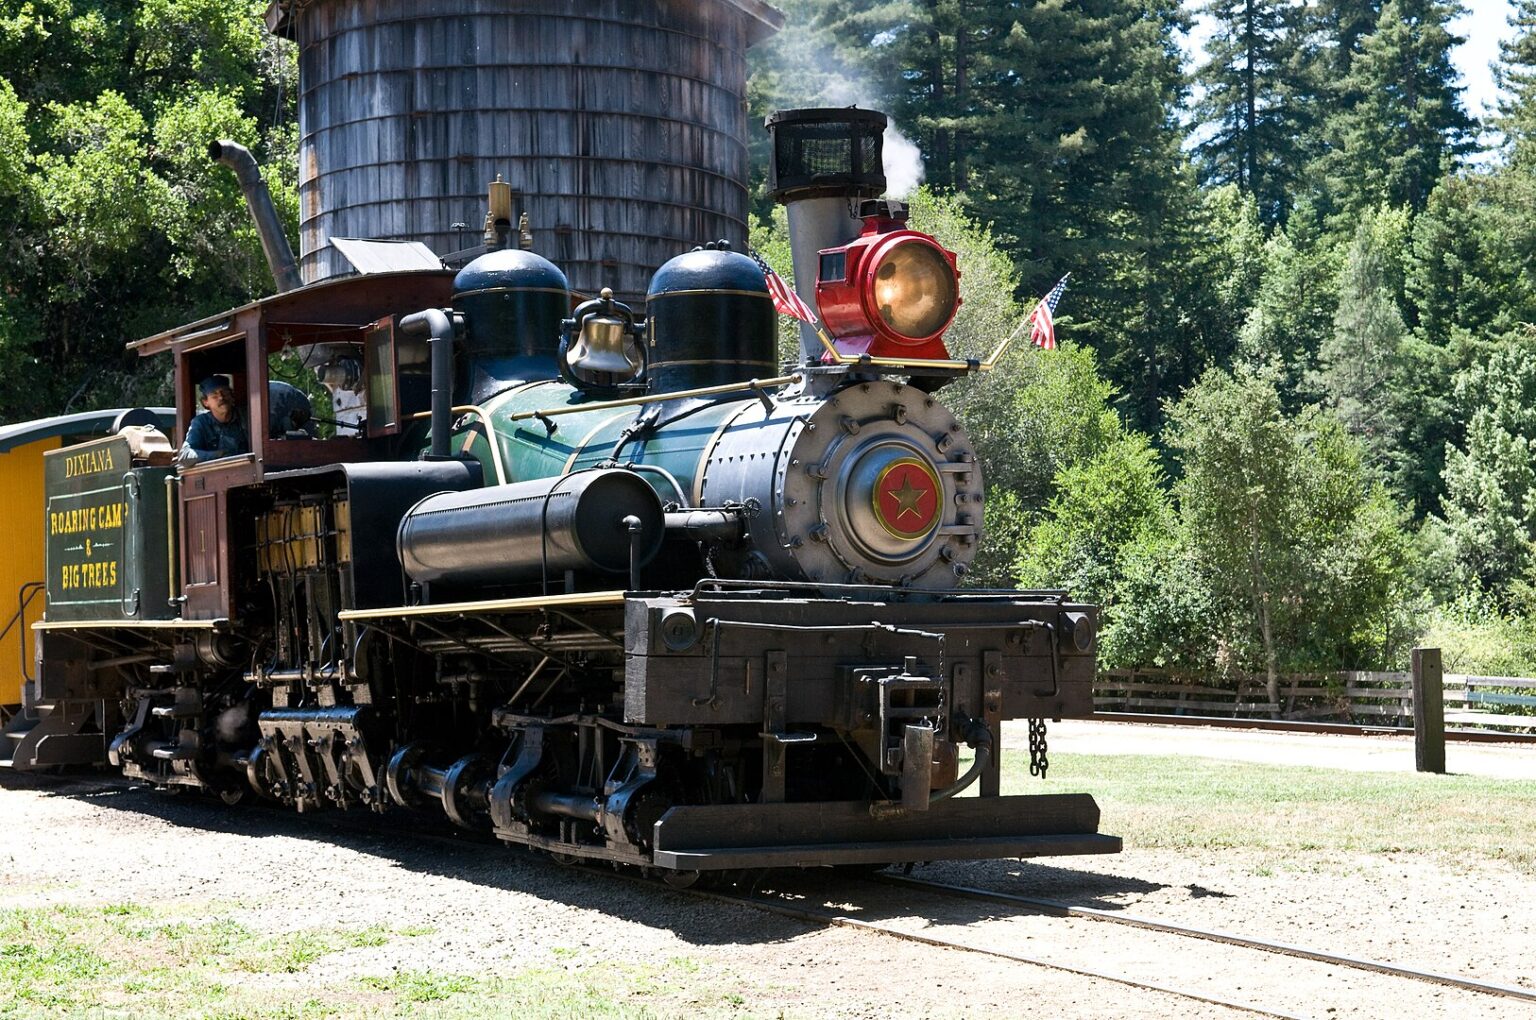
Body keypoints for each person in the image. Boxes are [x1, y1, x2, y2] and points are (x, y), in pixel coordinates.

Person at [177, 375, 250, 468]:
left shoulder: (245, 417)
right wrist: (218, 456)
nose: (221, 398)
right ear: (205, 402)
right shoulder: (201, 423)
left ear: (232, 395)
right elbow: (185, 455)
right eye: (214, 395)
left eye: (225, 392)